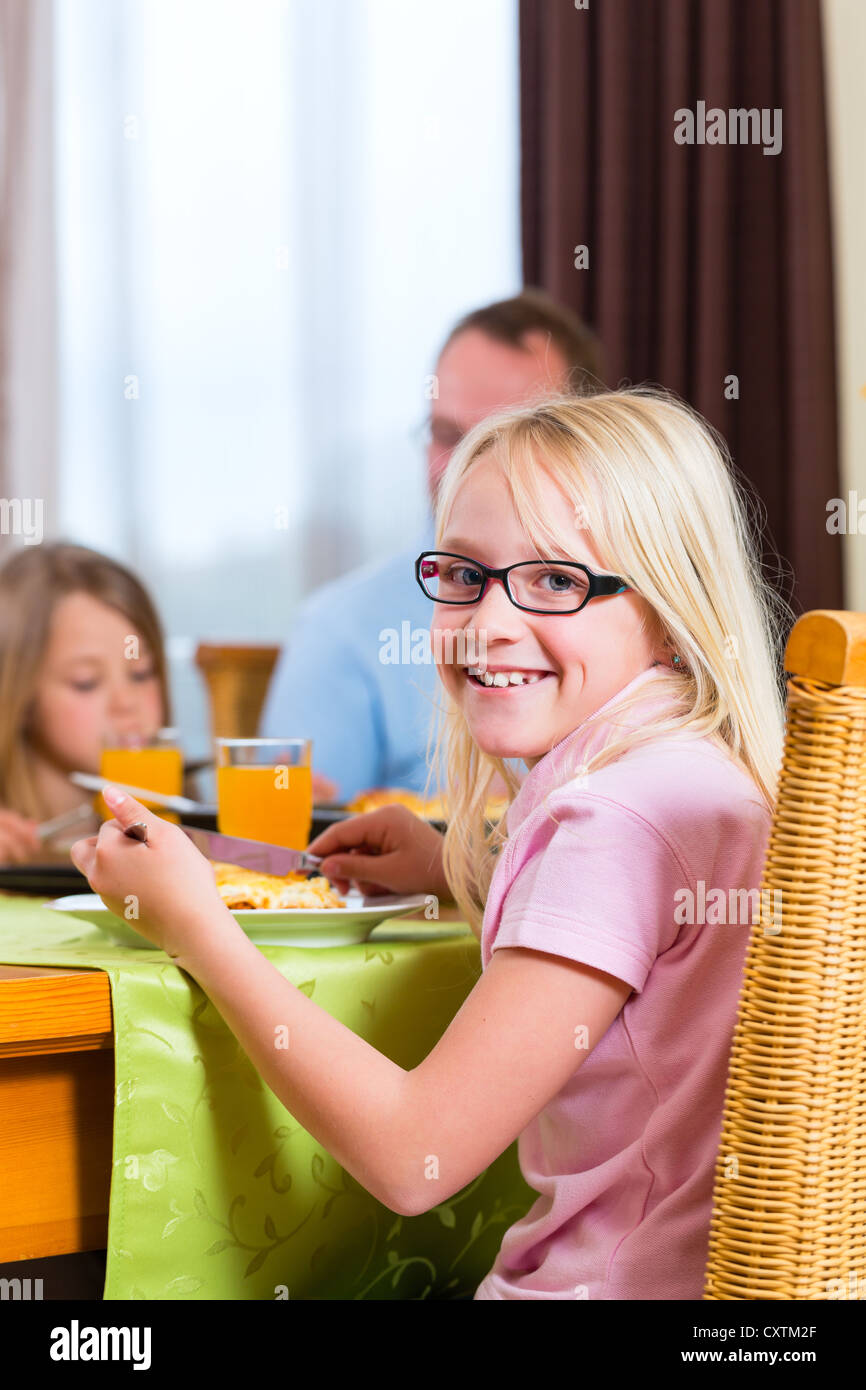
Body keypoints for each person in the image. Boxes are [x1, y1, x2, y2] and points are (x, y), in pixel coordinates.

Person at [71, 385, 790, 1299]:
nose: (488, 625)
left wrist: (201, 928)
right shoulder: (695, 774)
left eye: (556, 581)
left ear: (670, 610)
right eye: (463, 573)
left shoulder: (609, 820)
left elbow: (416, 1158)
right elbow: (648, 965)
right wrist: (469, 869)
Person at [260, 287, 603, 803]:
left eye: (502, 437)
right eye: (447, 435)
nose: (463, 468)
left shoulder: (641, 610)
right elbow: (282, 850)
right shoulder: (340, 629)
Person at [0, 542, 173, 863]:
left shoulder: (192, 846)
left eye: (141, 673)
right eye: (86, 682)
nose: (126, 703)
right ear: (19, 697)